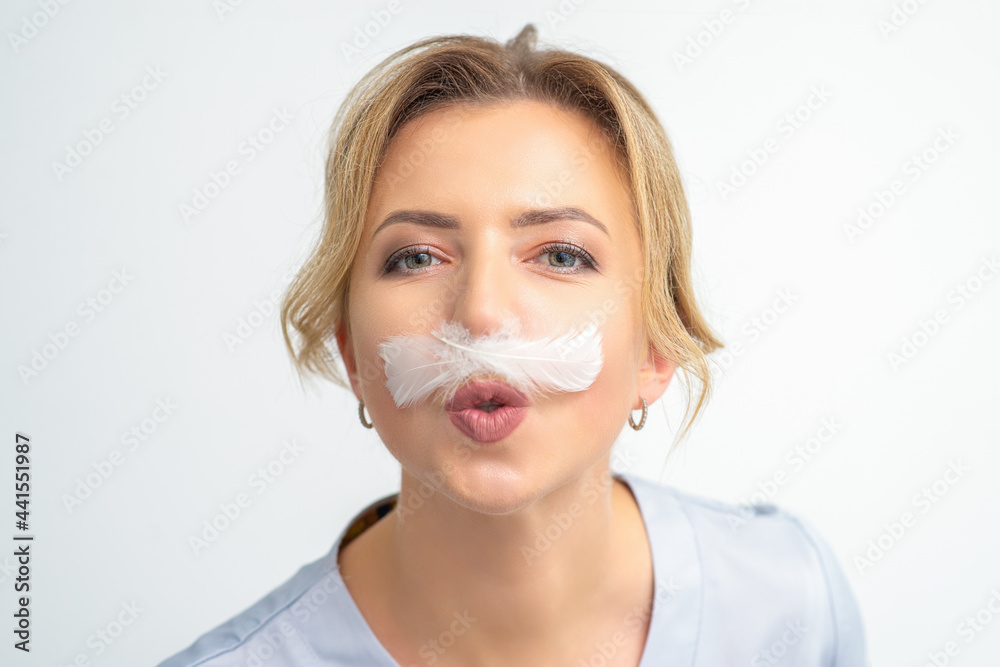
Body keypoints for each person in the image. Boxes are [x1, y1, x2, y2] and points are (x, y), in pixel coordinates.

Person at [157, 23, 867, 667]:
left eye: (560, 255)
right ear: (352, 353)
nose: (484, 314)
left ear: (656, 348)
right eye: (416, 257)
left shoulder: (792, 605)